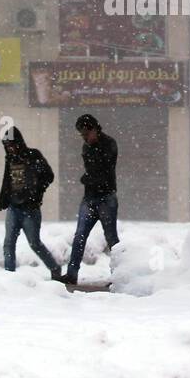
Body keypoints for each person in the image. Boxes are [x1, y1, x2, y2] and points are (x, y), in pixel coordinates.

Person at [0, 126, 65, 280]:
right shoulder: (10, 159)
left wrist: (36, 192)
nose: (10, 149)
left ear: (19, 143)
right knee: (8, 243)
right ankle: (10, 276)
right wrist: (4, 197)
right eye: (7, 147)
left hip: (30, 208)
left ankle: (54, 268)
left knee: (34, 243)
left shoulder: (33, 155)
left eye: (12, 146)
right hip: (14, 207)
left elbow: (48, 175)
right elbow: (7, 180)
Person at [64, 114, 120, 285]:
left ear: (95, 130)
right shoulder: (86, 147)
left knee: (111, 238)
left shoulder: (109, 144)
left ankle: (118, 276)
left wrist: (89, 178)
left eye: (87, 134)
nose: (85, 138)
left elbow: (103, 171)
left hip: (106, 197)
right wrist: (90, 178)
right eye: (82, 135)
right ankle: (71, 274)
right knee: (79, 236)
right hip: (90, 197)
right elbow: (93, 171)